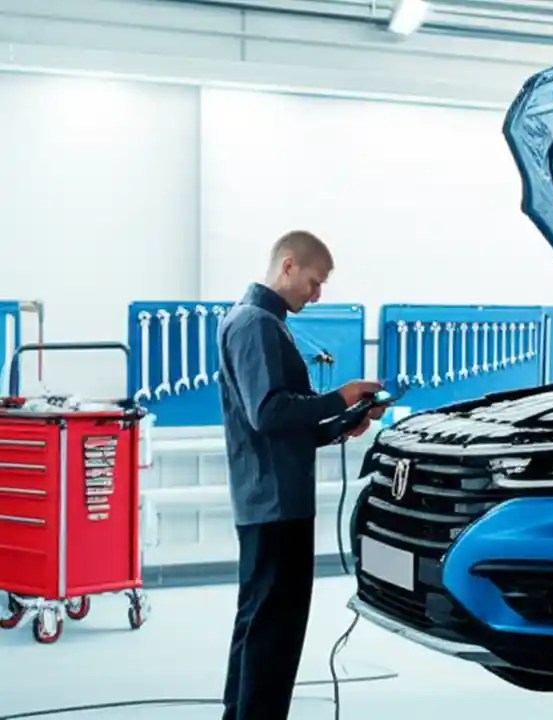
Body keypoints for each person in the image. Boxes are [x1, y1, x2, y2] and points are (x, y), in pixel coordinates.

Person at [217, 230, 384, 720]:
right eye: (315, 281)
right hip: (275, 503)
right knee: (276, 630)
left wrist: (340, 425)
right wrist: (341, 396)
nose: (317, 294)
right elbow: (268, 412)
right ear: (288, 266)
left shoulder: (262, 323)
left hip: (269, 497)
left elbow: (282, 425)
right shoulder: (256, 325)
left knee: (257, 622)